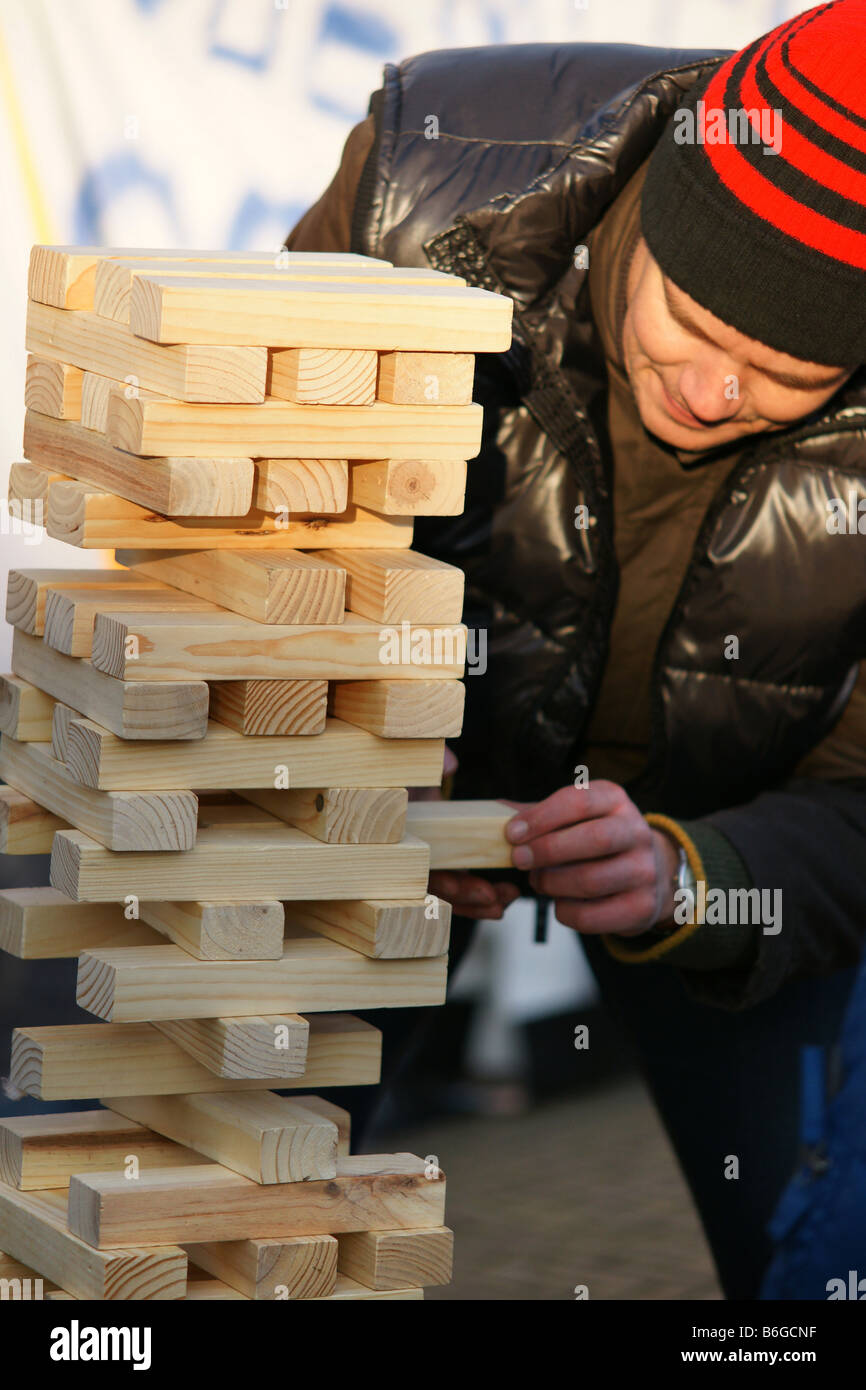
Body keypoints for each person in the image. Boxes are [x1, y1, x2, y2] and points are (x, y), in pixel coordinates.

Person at [285, 0, 866, 1298]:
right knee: (204, 1198)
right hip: (360, 811)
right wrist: (350, 731)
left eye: (788, 376)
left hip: (734, 825)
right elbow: (260, 517)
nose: (715, 394)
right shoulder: (424, 180)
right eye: (696, 326)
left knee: (822, 1254)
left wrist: (693, 882)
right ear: (644, 214)